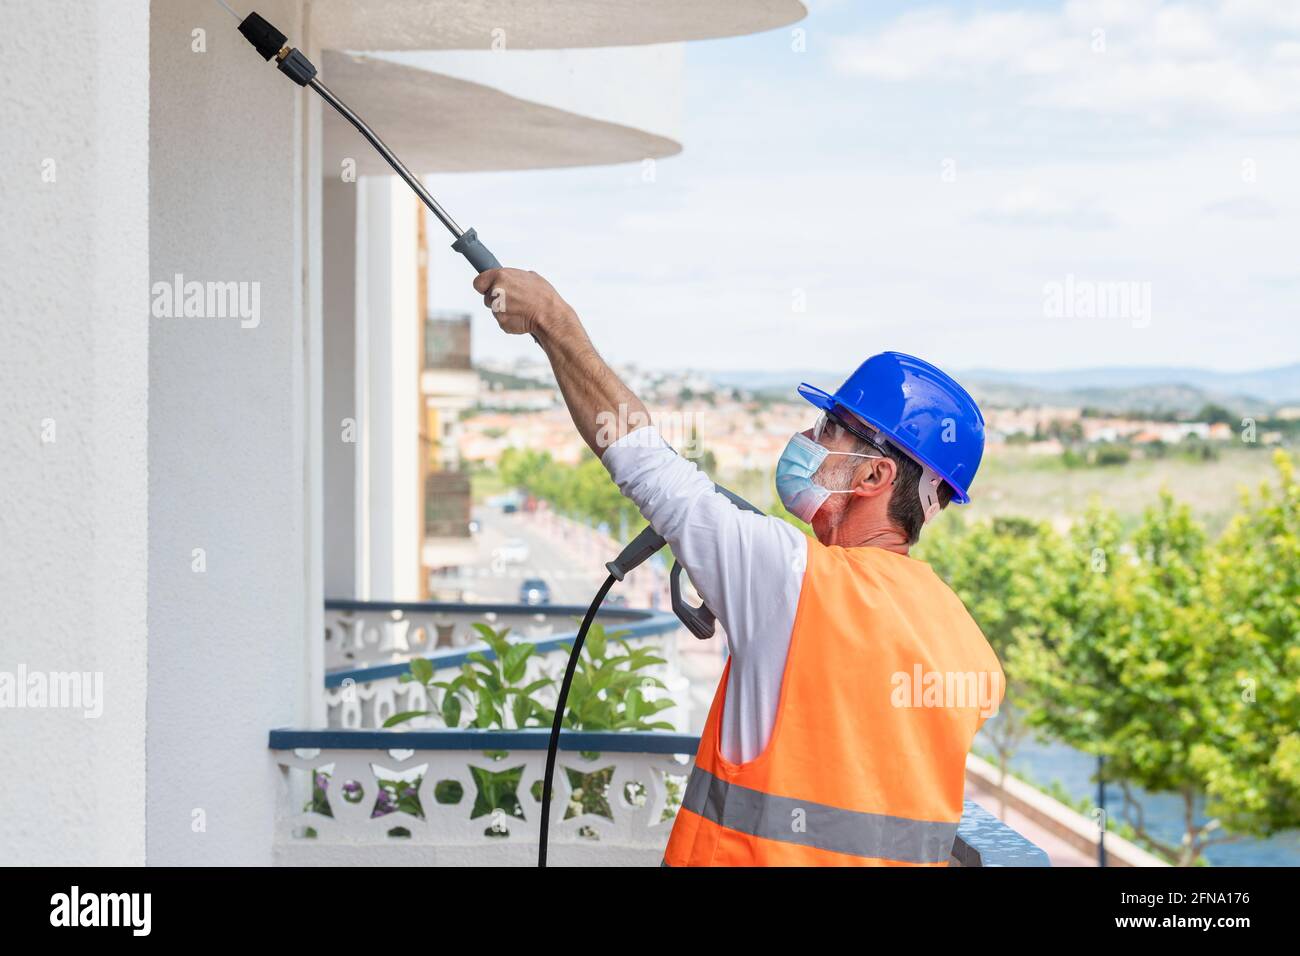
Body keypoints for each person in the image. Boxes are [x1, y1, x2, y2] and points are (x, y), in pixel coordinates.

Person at [474, 268, 1005, 866]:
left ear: (875, 476)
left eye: (829, 428)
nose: (806, 435)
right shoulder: (967, 646)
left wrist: (552, 319)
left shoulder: (797, 578)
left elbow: (642, 462)